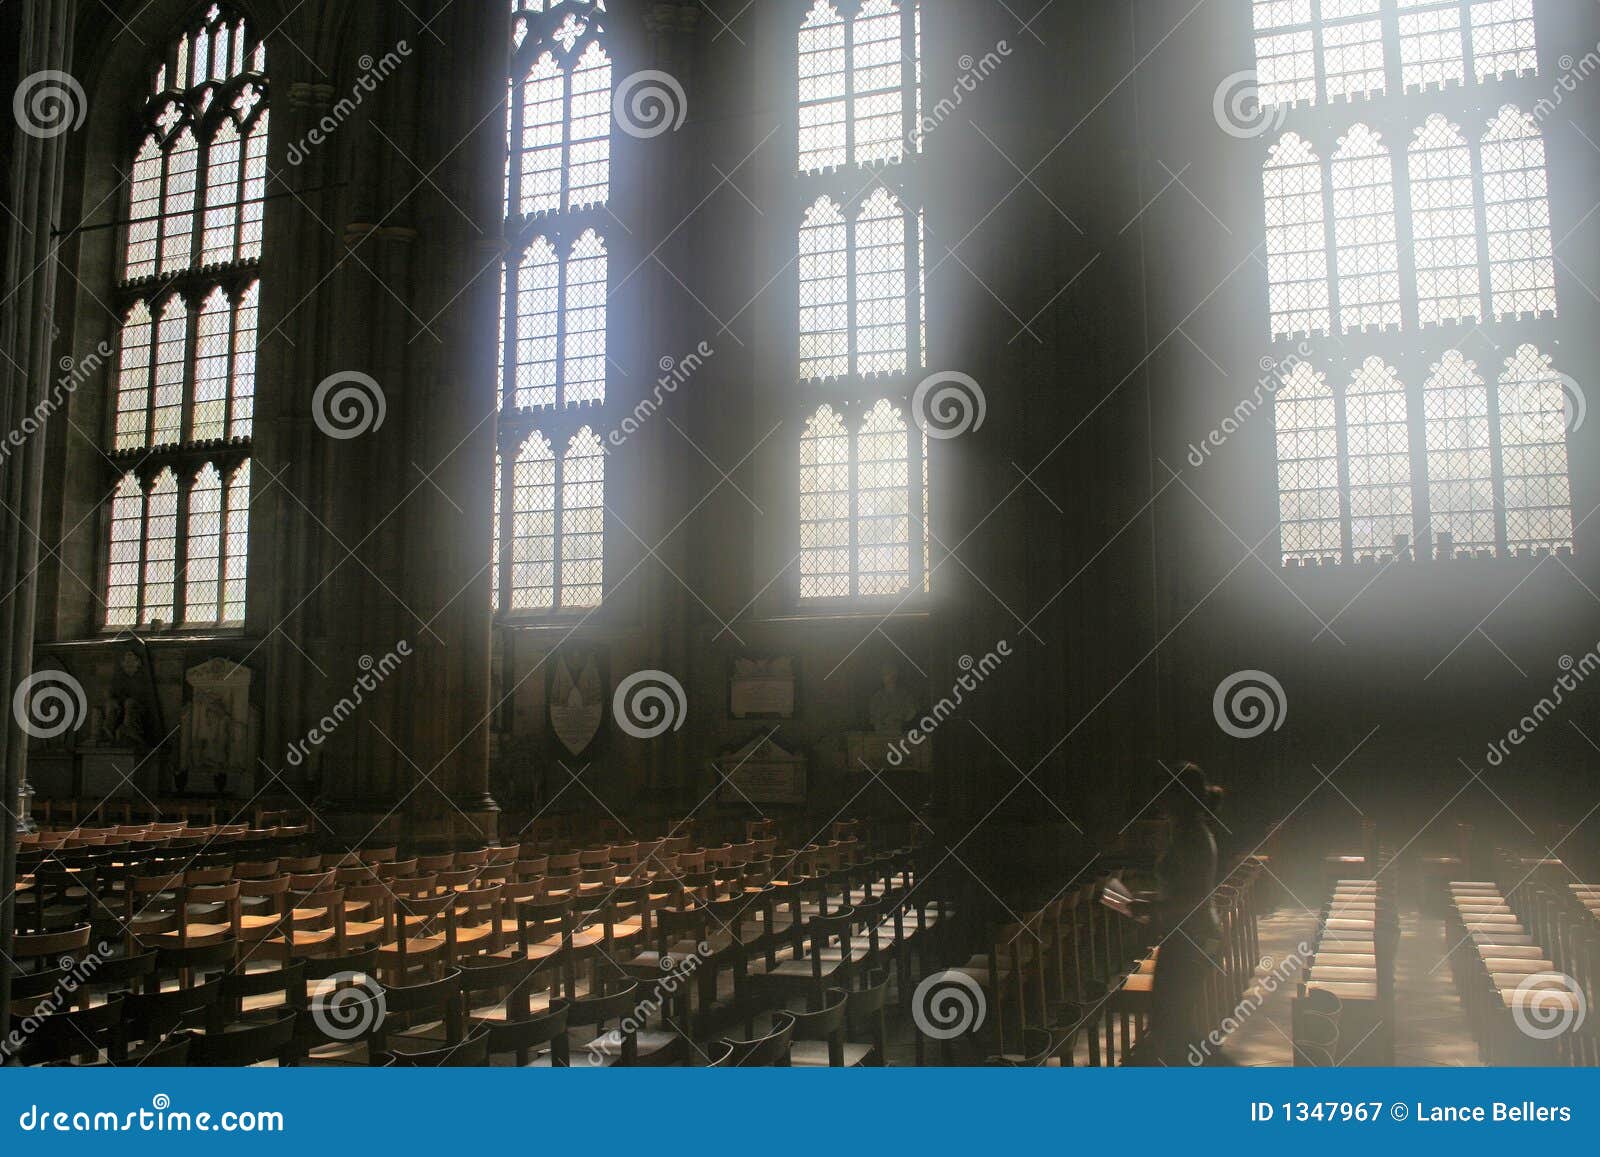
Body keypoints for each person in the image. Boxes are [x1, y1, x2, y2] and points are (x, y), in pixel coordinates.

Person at [1139, 762, 1226, 1066]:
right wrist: (1155, 900)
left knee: (1172, 1025)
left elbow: (1193, 898)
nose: (1160, 801)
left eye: (1167, 794)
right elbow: (1181, 889)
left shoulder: (1194, 837)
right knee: (1171, 1024)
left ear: (1181, 798)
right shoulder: (1185, 833)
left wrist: (1153, 907)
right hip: (1184, 935)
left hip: (1193, 937)